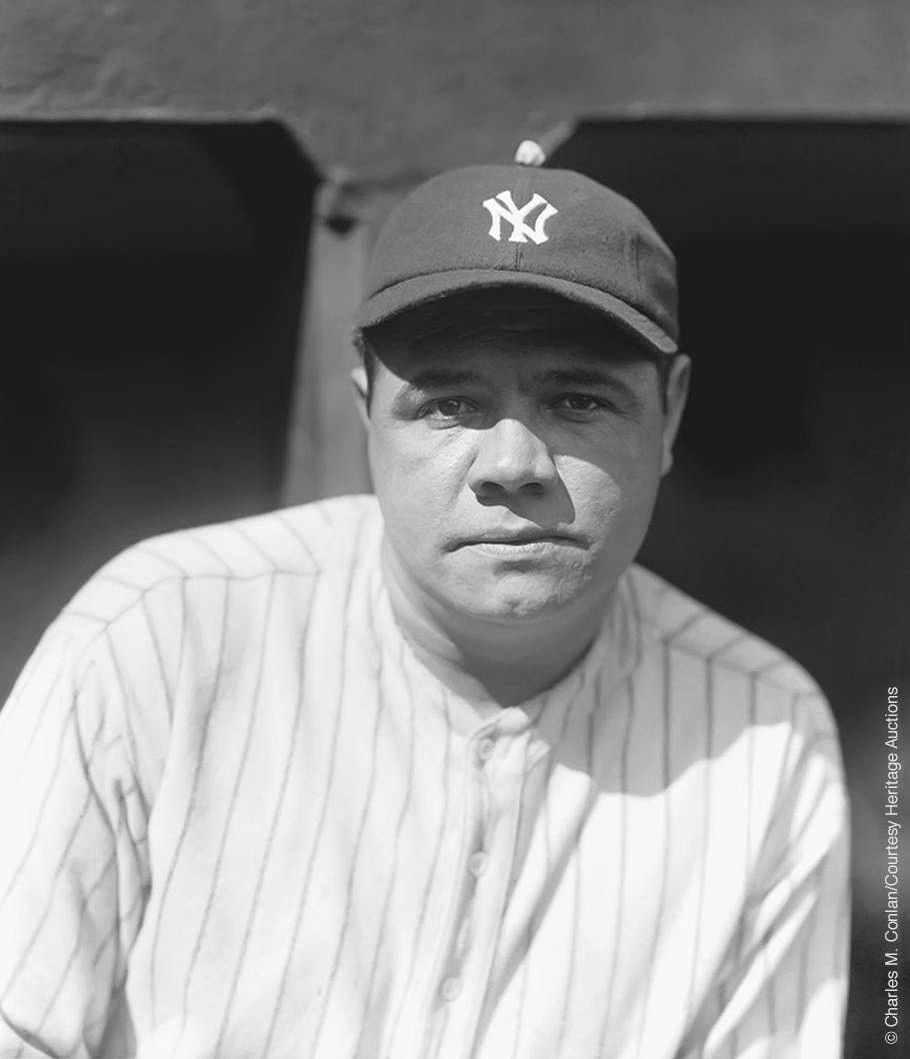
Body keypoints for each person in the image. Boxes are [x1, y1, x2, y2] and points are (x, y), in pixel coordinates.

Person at [0, 144, 849, 1059]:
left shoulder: (766, 733)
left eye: (577, 401)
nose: (514, 465)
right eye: (449, 405)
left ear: (671, 412)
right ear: (365, 406)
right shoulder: (159, 636)